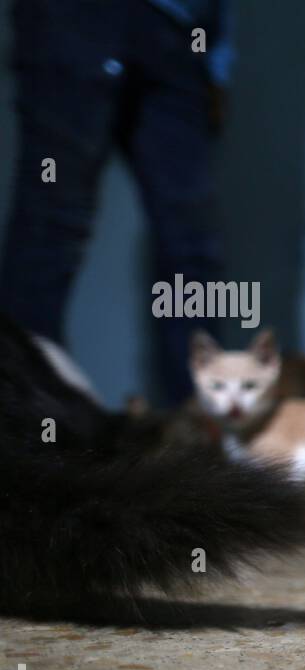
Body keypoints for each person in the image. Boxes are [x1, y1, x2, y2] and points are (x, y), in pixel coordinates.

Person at [0, 0, 232, 403]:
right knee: (51, 226)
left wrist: (220, 59)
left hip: (184, 28)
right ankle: (24, 428)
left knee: (193, 249)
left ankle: (201, 436)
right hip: (78, 16)